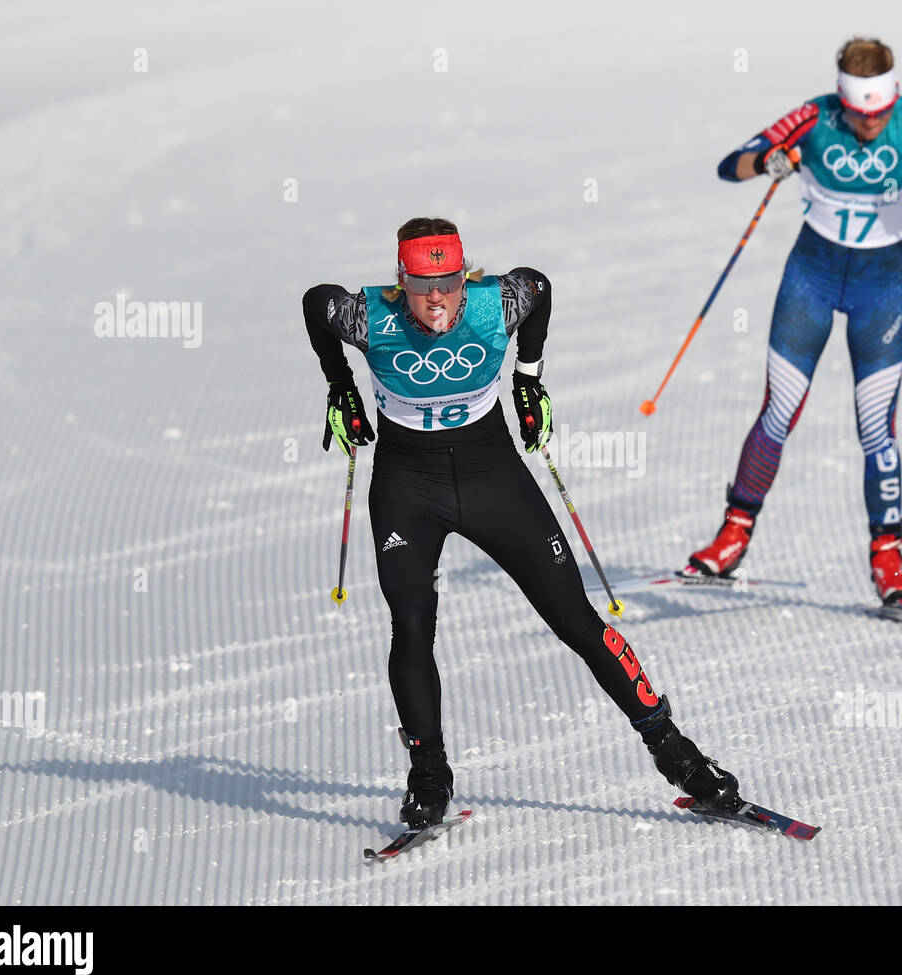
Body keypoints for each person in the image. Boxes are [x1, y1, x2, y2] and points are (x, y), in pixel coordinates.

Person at [303, 218, 740, 827]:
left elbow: (539, 286)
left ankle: (679, 757)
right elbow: (315, 302)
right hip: (409, 488)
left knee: (574, 617)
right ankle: (429, 776)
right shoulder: (368, 317)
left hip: (492, 477)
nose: (438, 298)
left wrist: (528, 377)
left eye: (450, 281)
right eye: (423, 283)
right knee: (409, 624)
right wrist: (340, 385)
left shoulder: (495, 305)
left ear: (465, 276)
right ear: (400, 281)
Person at [688, 37, 902, 604]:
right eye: (860, 115)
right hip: (809, 279)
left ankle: (888, 559)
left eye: (879, 113)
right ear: (843, 100)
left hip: (879, 291)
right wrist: (770, 161)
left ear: (893, 97)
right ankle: (733, 534)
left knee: (876, 427)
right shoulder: (814, 116)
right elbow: (728, 166)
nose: (869, 124)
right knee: (778, 412)